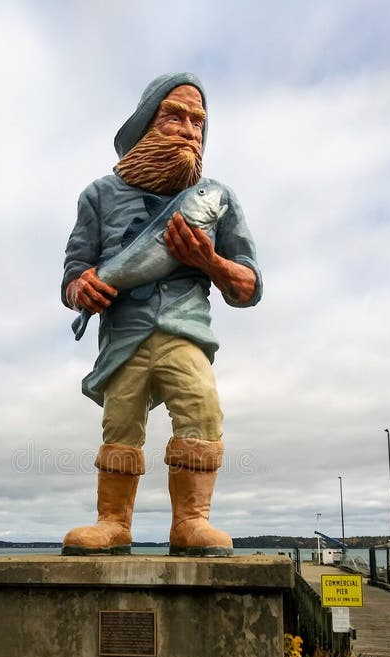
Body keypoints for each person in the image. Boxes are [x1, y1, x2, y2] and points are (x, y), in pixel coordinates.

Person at [61, 72, 262, 556]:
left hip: (184, 329)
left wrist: (207, 261)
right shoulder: (98, 195)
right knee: (121, 423)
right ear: (146, 123)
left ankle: (191, 522)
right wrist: (79, 289)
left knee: (202, 408)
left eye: (198, 121)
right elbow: (73, 272)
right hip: (123, 335)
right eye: (176, 115)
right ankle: (113, 522)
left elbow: (249, 286)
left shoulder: (218, 197)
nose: (191, 129)